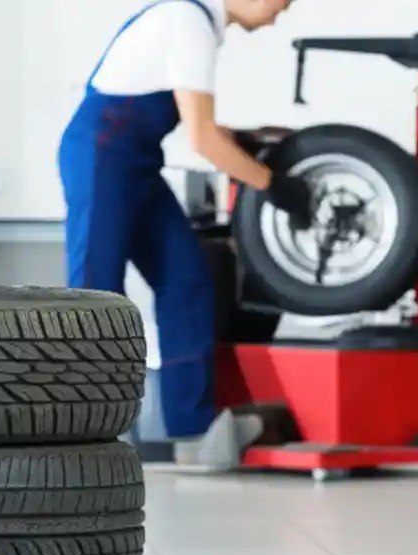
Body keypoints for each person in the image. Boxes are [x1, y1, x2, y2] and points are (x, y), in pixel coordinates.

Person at [58, 0, 312, 469]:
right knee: (94, 296)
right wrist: (275, 187)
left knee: (187, 279)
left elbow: (202, 123)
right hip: (101, 158)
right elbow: (203, 140)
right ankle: (80, 436)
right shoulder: (187, 21)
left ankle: (191, 430)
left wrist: (246, 142)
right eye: (283, 1)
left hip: (133, 163)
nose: (281, 12)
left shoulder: (199, 23)